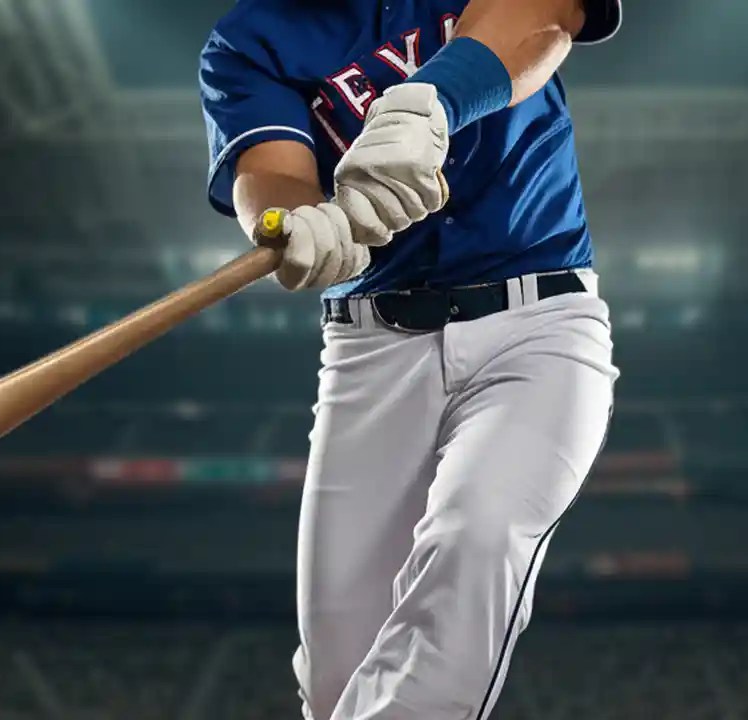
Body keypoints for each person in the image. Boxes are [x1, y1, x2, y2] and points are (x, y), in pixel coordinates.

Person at [199, 1, 623, 717]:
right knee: (338, 674)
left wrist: (431, 103)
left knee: (478, 535)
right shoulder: (250, 36)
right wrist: (291, 223)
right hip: (371, 349)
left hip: (537, 323)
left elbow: (549, 14)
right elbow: (269, 176)